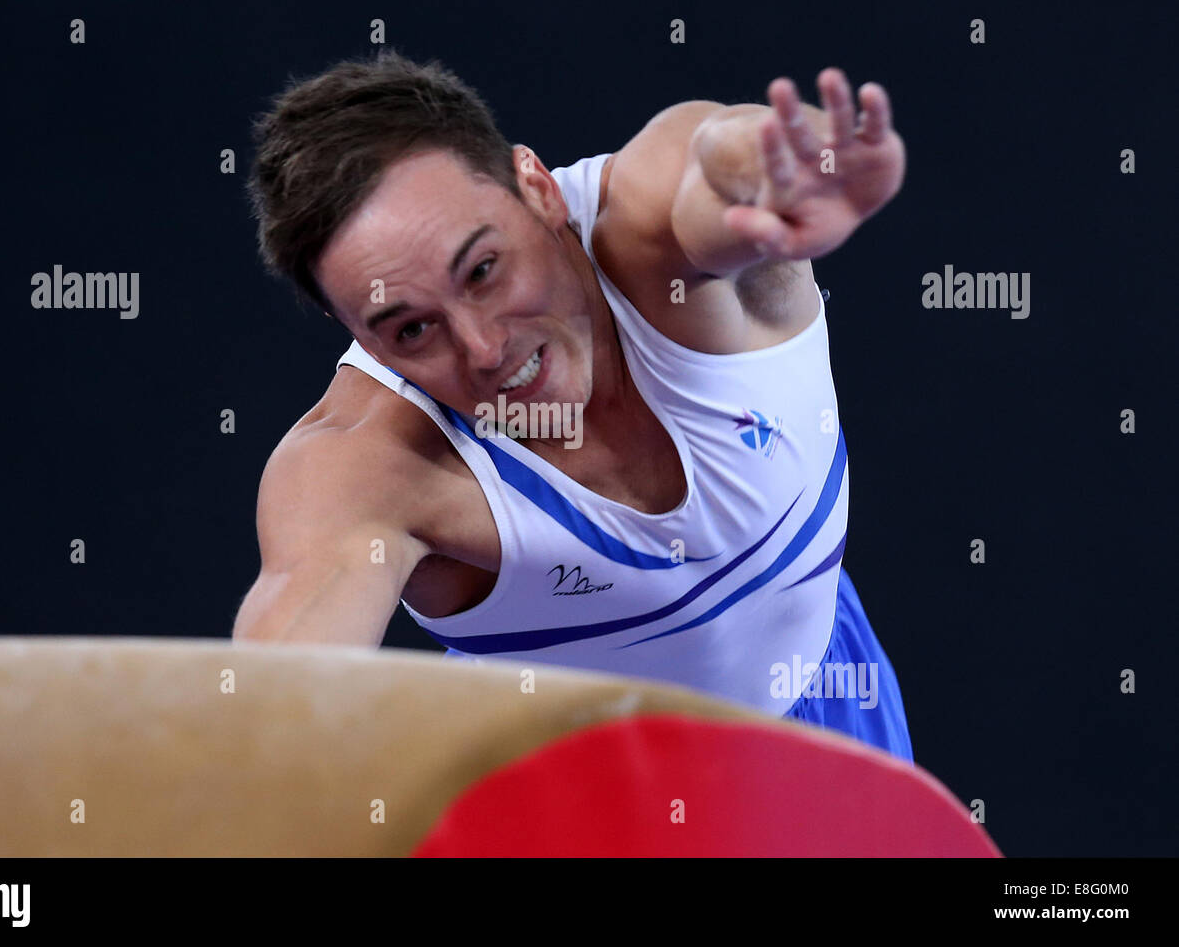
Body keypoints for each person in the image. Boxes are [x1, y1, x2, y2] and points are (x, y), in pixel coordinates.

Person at [235, 50, 912, 762]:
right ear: (358, 337)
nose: (483, 347)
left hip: (827, 712)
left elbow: (712, 166)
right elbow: (275, 713)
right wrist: (260, 756)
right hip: (575, 800)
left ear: (538, 188)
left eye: (484, 271)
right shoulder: (368, 466)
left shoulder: (658, 241)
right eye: (410, 330)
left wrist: (789, 169)